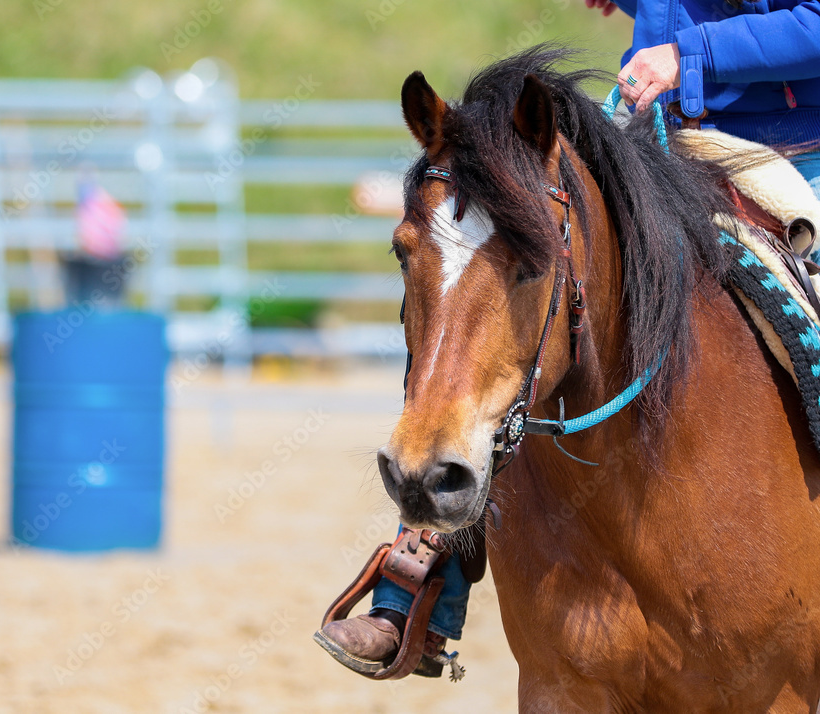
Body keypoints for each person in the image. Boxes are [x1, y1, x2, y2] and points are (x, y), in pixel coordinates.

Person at [318, 0, 820, 678]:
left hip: (790, 143)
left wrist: (690, 55)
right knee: (489, 281)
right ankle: (430, 552)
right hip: (650, 128)